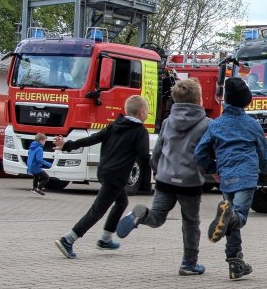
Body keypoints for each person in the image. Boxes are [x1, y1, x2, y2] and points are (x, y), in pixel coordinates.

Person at [116, 80, 212, 276]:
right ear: (199, 100)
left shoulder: (168, 122)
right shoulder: (207, 124)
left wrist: (157, 171)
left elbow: (158, 151)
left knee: (158, 217)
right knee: (191, 223)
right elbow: (209, 152)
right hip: (190, 181)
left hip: (165, 178)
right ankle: (189, 263)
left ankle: (142, 215)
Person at [194, 77, 267, 280]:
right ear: (246, 101)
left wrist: (212, 168)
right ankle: (230, 224)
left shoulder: (215, 125)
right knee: (238, 217)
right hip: (246, 175)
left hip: (226, 176)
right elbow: (263, 151)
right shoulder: (252, 125)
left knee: (229, 217)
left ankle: (235, 263)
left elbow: (200, 152)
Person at [53, 95, 150, 259]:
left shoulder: (114, 125)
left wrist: (67, 145)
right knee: (97, 211)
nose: (147, 114)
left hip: (105, 172)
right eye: (147, 111)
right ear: (141, 112)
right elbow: (144, 156)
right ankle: (68, 239)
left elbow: (92, 139)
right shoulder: (140, 131)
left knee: (122, 202)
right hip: (117, 177)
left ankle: (105, 239)